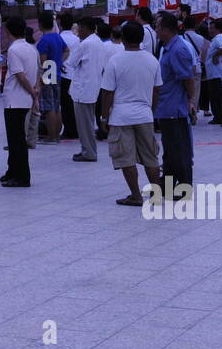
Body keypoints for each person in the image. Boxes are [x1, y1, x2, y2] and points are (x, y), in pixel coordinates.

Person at [100, 20, 163, 206]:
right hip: (144, 114)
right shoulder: (152, 60)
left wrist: (104, 117)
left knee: (126, 157)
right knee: (151, 156)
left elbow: (107, 92)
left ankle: (136, 195)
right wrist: (151, 109)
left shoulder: (115, 61)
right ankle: (157, 194)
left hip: (121, 116)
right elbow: (157, 89)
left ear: (123, 39)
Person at [153, 14, 196, 196]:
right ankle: (168, 185)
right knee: (170, 151)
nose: (155, 30)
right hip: (166, 106)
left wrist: (190, 101)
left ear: (165, 29)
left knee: (179, 150)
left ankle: (184, 187)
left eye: (157, 26)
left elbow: (188, 78)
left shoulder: (178, 49)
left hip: (174, 109)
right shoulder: (168, 47)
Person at [0, 16, 38, 188]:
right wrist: (35, 92)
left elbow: (19, 75)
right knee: (16, 139)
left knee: (16, 141)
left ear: (8, 31)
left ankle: (22, 176)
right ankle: (12, 171)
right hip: (24, 99)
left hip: (15, 99)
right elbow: (38, 72)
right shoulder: (31, 48)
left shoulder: (13, 50)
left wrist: (32, 92)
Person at [68, 16, 105, 162]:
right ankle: (88, 149)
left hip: (83, 88)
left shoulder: (85, 44)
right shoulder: (98, 41)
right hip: (92, 86)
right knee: (88, 122)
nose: (77, 33)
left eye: (79, 29)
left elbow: (72, 62)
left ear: (85, 28)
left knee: (84, 124)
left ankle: (88, 152)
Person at [34, 13, 65, 143]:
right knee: (56, 106)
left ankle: (52, 137)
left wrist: (40, 80)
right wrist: (60, 62)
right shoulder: (58, 37)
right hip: (57, 74)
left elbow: (43, 62)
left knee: (48, 107)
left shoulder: (43, 41)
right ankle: (57, 135)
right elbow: (67, 50)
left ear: (40, 25)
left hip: (48, 75)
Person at [58, 10, 81, 139]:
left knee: (63, 104)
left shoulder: (59, 37)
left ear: (60, 23)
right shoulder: (77, 39)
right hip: (74, 74)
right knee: (72, 104)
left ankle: (67, 130)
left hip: (61, 74)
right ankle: (74, 129)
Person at [202, 21, 222, 124]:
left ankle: (218, 117)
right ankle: (218, 116)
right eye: (209, 28)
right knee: (215, 96)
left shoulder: (219, 38)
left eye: (212, 28)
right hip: (213, 73)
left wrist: (216, 56)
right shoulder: (215, 39)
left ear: (218, 29)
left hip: (216, 73)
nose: (210, 30)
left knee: (216, 96)